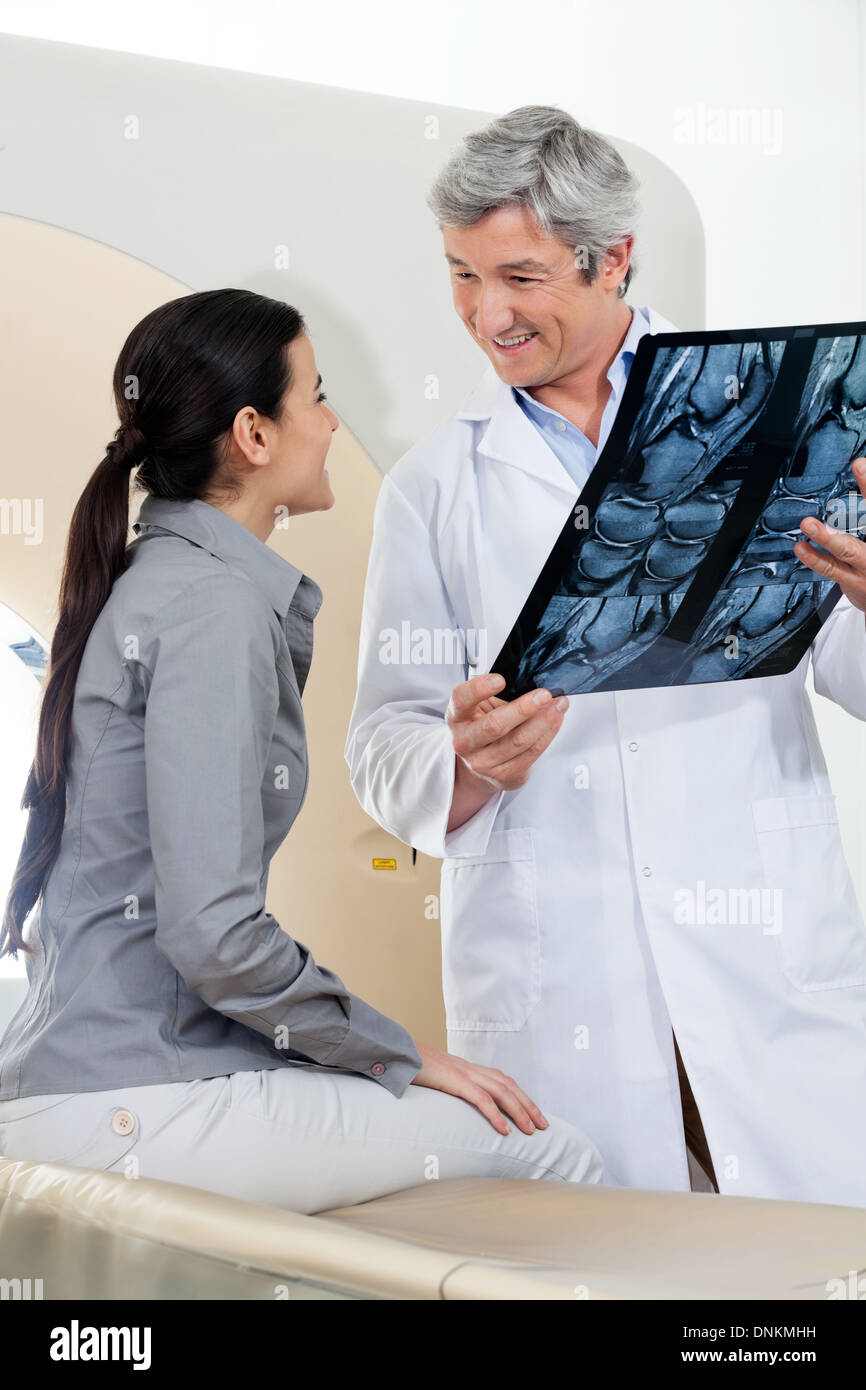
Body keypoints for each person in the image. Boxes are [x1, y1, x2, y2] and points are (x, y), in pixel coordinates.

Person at [345, 104, 866, 1206]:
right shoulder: (435, 487)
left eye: (519, 277)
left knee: (811, 1273)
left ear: (612, 258)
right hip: (565, 982)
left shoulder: (775, 420)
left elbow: (843, 672)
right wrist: (469, 762)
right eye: (459, 274)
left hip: (761, 957)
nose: (486, 312)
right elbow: (383, 747)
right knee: (612, 1278)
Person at [0, 288, 605, 1213]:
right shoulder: (214, 607)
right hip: (131, 1103)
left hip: (80, 1079)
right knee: (547, 1148)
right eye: (317, 396)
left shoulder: (154, 579)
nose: (330, 423)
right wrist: (395, 1051)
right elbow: (213, 936)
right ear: (253, 433)